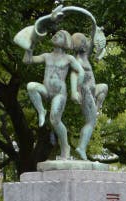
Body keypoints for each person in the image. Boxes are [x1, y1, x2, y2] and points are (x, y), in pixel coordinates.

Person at [23, 29, 84, 160]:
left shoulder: (69, 58)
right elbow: (28, 61)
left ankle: (65, 147)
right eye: (56, 34)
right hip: (46, 89)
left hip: (59, 93)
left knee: (55, 120)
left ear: (66, 41)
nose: (56, 35)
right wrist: (29, 48)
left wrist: (75, 91)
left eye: (60, 35)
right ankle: (41, 111)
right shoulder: (47, 56)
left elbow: (80, 71)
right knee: (31, 86)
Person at [70, 32, 108, 160]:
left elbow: (93, 41)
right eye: (84, 42)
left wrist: (96, 29)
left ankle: (97, 108)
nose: (87, 44)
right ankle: (81, 147)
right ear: (79, 45)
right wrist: (74, 91)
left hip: (93, 89)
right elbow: (74, 75)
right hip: (85, 91)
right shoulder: (77, 60)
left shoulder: (85, 56)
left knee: (104, 87)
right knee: (90, 122)